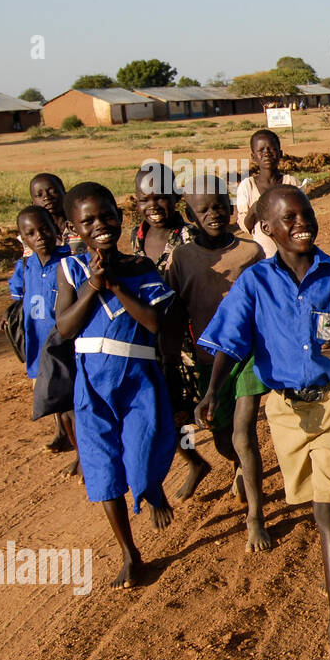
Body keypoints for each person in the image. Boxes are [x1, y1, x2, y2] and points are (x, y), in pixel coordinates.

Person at [197, 185, 330, 655]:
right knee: (306, 497)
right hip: (284, 410)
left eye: (307, 214)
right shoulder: (255, 282)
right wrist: (212, 392)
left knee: (328, 507)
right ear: (268, 229)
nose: (301, 223)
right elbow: (230, 341)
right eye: (289, 218)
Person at [53, 183, 178, 589]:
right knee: (101, 464)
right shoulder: (70, 270)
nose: (100, 225)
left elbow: (155, 324)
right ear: (74, 227)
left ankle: (150, 487)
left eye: (106, 215)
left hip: (138, 378)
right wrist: (92, 285)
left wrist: (116, 286)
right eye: (88, 220)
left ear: (120, 216)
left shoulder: (142, 268)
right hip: (92, 384)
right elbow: (64, 328)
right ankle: (129, 552)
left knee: (142, 453)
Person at [166, 176, 269, 551]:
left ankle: (255, 517)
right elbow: (176, 310)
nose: (213, 214)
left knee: (243, 434)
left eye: (219, 205)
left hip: (248, 356)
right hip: (207, 361)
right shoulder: (182, 258)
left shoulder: (250, 251)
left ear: (230, 207)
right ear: (189, 216)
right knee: (224, 437)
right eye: (202, 209)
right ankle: (240, 467)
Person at [130, 163, 211, 501]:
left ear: (176, 198)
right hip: (154, 342)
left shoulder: (189, 237)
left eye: (161, 197)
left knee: (205, 411)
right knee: (166, 412)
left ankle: (238, 462)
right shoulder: (138, 235)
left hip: (190, 341)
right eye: (145, 199)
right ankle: (194, 460)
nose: (154, 206)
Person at [4, 206, 77, 458]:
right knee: (51, 391)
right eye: (31, 233)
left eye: (45, 228)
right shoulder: (25, 266)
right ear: (23, 239)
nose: (40, 236)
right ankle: (63, 433)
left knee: (72, 397)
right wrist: (10, 312)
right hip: (39, 343)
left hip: (67, 343)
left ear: (56, 229)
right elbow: (20, 298)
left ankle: (81, 449)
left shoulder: (69, 261)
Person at [235, 130, 297, 258]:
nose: (267, 153)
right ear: (253, 157)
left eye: (271, 149)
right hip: (265, 256)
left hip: (293, 253)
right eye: (261, 150)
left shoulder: (291, 182)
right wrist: (254, 210)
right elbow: (245, 225)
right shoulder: (248, 186)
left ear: (280, 153)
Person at [29, 173, 83, 254]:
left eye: (53, 192)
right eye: (39, 195)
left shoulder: (81, 225)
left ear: (65, 194)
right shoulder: (34, 235)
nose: (47, 197)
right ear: (33, 203)